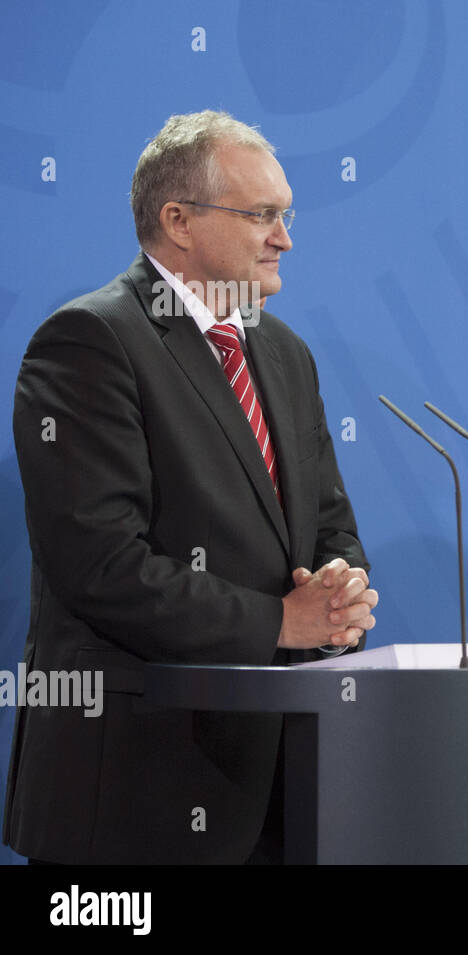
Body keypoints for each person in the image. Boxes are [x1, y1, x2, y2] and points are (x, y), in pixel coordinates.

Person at [3, 111, 378, 864]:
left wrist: (339, 587)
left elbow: (327, 521)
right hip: (136, 798)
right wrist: (279, 620)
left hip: (277, 793)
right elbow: (103, 567)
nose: (285, 237)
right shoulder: (89, 342)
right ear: (178, 221)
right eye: (262, 215)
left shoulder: (282, 350)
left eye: (286, 215)